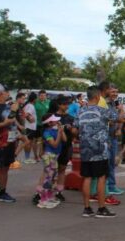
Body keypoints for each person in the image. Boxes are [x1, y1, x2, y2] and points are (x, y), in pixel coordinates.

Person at [73, 85, 117, 218]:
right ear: (98, 96)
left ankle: (87, 208)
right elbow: (116, 118)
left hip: (85, 149)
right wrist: (117, 107)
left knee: (87, 177)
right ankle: (102, 208)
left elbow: (74, 130)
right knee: (101, 178)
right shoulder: (102, 110)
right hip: (100, 149)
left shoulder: (80, 111)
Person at [37, 113, 66, 209]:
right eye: (55, 120)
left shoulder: (55, 130)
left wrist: (61, 131)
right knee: (48, 178)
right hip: (49, 156)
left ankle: (49, 197)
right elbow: (54, 144)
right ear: (49, 123)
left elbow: (65, 139)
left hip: (54, 157)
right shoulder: (47, 133)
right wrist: (59, 133)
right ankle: (43, 200)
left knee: (52, 177)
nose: (57, 121)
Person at [21, 92, 38, 164]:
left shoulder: (27, 105)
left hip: (28, 127)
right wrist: (30, 119)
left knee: (28, 142)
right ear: (34, 99)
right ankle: (27, 158)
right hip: (30, 127)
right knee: (28, 142)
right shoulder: (30, 106)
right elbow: (26, 114)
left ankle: (27, 157)